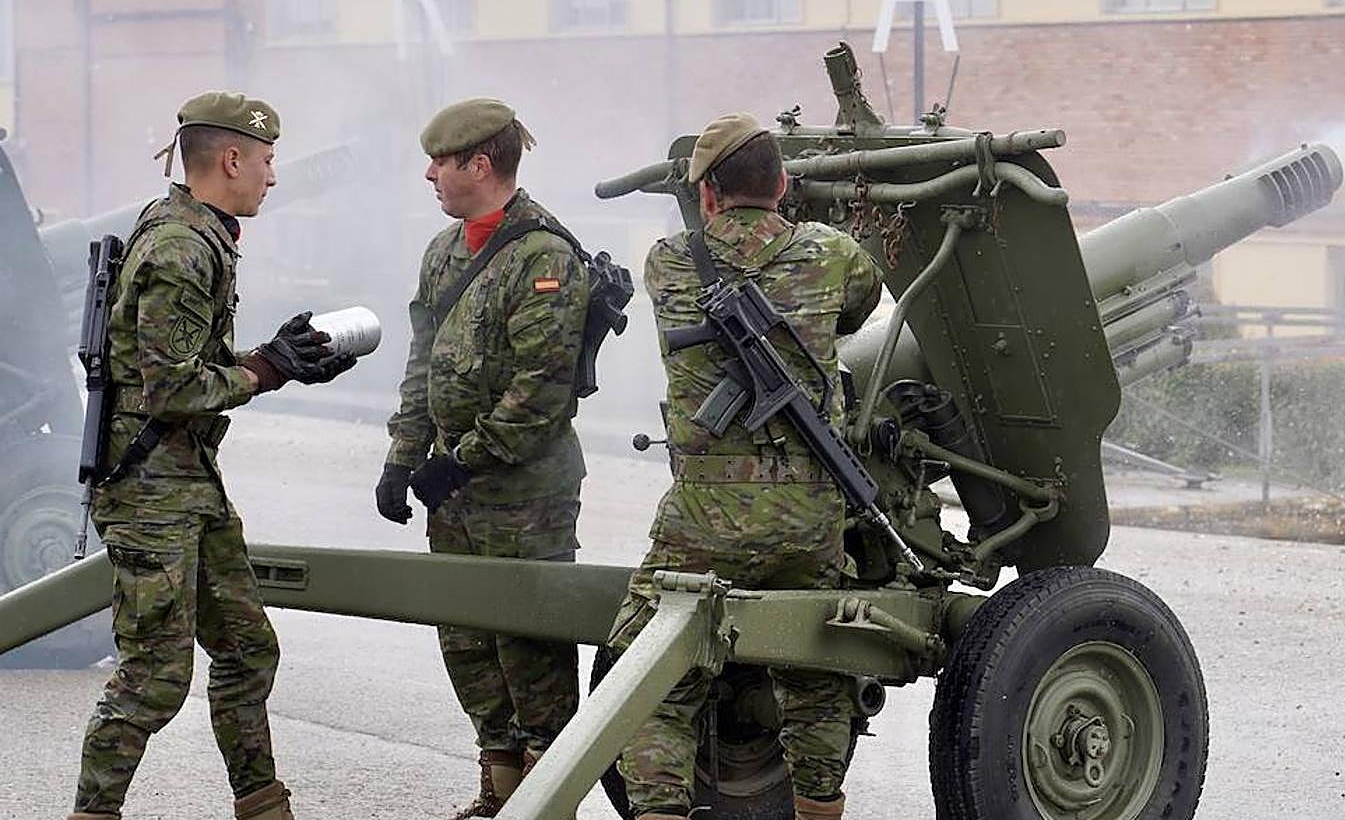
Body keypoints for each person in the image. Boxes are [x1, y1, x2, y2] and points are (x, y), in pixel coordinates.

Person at [70, 91, 357, 820]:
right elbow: (170, 389)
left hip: (186, 483)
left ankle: (262, 804)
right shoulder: (179, 247)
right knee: (154, 678)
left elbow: (178, 361)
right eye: (266, 161)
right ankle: (91, 813)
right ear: (231, 159)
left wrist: (273, 357)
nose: (272, 176)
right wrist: (267, 369)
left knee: (246, 649)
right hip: (150, 492)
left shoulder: (194, 231)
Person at [607, 112, 882, 820]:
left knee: (653, 682)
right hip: (810, 518)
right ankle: (818, 808)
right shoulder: (834, 254)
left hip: (704, 522)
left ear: (706, 196)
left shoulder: (668, 261)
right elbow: (857, 307)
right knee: (817, 679)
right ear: (784, 185)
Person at [376, 97, 590, 819]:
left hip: (524, 495)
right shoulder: (444, 250)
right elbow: (423, 361)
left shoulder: (544, 254)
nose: (429, 175)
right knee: (468, 647)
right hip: (455, 496)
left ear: (480, 164)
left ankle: (544, 804)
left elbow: (542, 390)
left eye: (441, 161)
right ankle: (500, 798)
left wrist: (462, 460)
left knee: (531, 654)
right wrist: (402, 458)